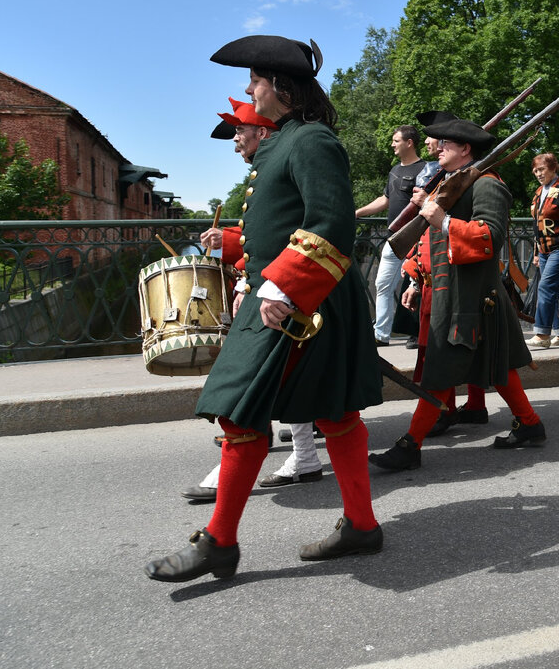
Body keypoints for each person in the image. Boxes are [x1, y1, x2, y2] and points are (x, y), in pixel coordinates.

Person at [145, 35, 383, 583]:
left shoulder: (312, 140)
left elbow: (331, 223)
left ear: (279, 87)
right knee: (334, 413)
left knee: (241, 412)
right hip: (291, 295)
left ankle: (220, 542)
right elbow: (277, 223)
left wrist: (280, 286)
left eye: (254, 81)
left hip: (299, 299)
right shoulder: (286, 142)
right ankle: (362, 527)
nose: (248, 91)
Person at [369, 117, 545, 471]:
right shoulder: (451, 184)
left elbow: (489, 238)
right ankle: (529, 423)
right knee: (498, 365)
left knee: (440, 370)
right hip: (453, 291)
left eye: (447, 143)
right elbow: (430, 242)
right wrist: (418, 278)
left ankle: (410, 445)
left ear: (466, 149)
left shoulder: (487, 185)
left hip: (472, 295)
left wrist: (444, 221)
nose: (439, 147)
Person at [182, 98, 325, 500]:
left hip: (284, 292)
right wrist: (229, 243)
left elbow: (298, 232)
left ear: (262, 132)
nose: (235, 141)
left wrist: (271, 284)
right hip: (272, 287)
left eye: (240, 132)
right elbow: (262, 235)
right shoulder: (262, 172)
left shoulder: (292, 157)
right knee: (292, 385)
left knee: (249, 388)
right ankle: (306, 458)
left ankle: (233, 489)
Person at [356, 126, 425, 346]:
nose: (392, 144)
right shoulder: (394, 170)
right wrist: (357, 212)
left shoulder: (425, 170)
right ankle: (381, 335)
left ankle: (418, 333)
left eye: (396, 140)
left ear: (409, 143)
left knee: (418, 284)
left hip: (416, 240)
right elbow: (384, 200)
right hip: (394, 239)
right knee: (382, 284)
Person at [526, 153, 559, 348]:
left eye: (541, 169)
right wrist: (535, 252)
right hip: (543, 249)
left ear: (553, 167)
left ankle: (542, 334)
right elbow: (536, 225)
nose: (538, 174)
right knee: (554, 288)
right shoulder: (539, 192)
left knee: (546, 286)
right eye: (535, 171)